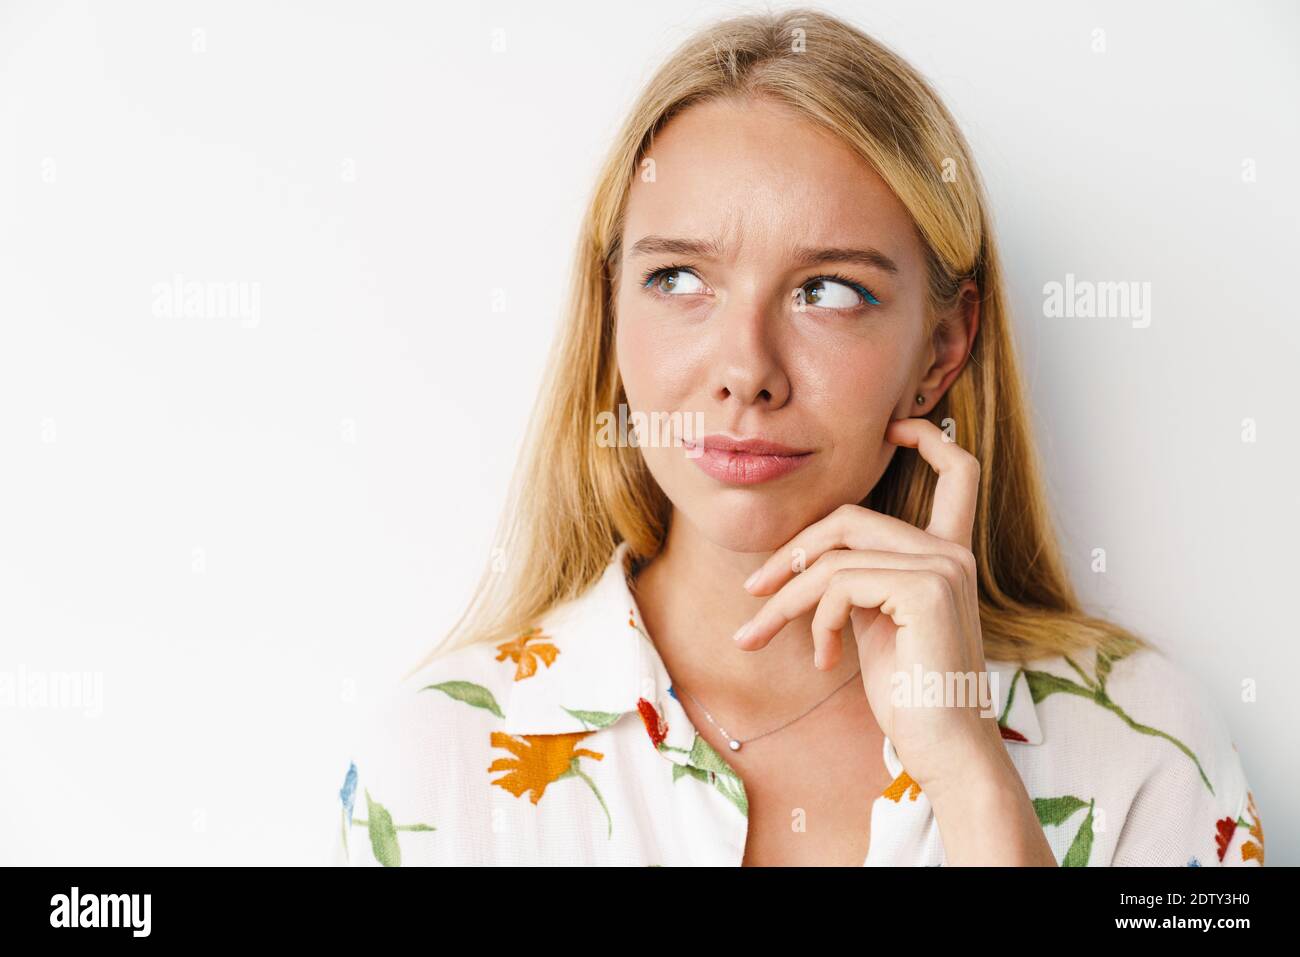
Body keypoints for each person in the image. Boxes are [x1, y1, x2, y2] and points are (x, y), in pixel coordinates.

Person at [329, 8, 1263, 867]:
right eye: (678, 278)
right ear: (610, 311)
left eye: (830, 291)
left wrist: (975, 782)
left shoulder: (1146, 742)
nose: (747, 368)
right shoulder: (436, 768)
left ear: (942, 348)